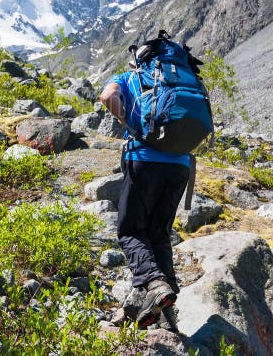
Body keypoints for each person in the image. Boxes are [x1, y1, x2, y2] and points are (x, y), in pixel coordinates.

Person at [99, 42, 192, 330]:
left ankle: (154, 284)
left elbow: (108, 95)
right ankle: (167, 316)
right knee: (159, 234)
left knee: (130, 231)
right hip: (181, 165)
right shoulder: (183, 79)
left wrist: (124, 119)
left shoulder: (131, 78)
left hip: (144, 159)